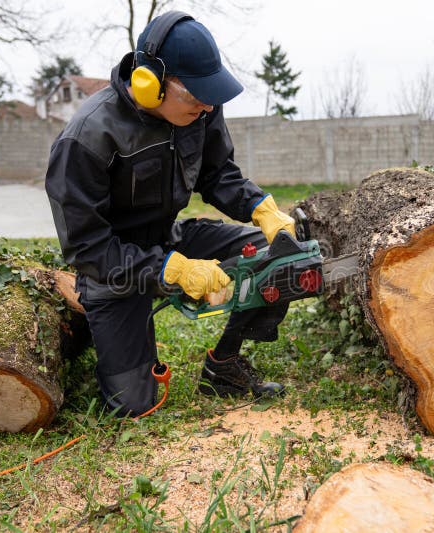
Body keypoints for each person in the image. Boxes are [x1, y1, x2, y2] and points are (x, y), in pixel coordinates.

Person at [45, 11, 296, 417]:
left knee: (276, 254)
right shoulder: (86, 138)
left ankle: (224, 365)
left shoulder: (200, 111)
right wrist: (172, 271)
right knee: (132, 405)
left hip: (169, 237)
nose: (208, 105)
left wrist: (259, 207)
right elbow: (87, 248)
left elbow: (217, 174)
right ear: (150, 83)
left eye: (210, 95)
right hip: (112, 268)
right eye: (196, 95)